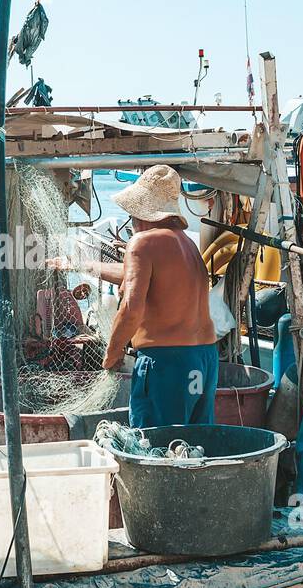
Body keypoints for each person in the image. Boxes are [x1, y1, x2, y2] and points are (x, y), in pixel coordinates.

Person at [51, 164, 218, 426]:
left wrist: (113, 353)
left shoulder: (143, 242)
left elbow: (131, 307)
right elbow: (140, 275)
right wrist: (81, 264)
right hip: (203, 361)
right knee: (194, 446)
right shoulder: (186, 244)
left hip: (167, 364)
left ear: (141, 212)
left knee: (156, 447)